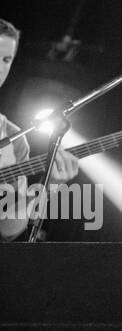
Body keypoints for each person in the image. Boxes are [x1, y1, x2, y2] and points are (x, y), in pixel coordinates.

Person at [0, 19, 79, 241]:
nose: (0, 67)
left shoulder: (14, 138)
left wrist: (49, 186)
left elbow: (6, 231)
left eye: (6, 59)